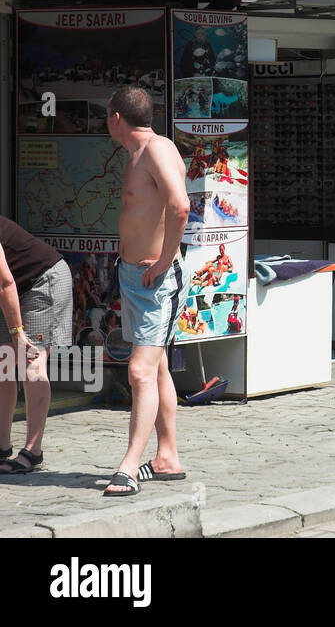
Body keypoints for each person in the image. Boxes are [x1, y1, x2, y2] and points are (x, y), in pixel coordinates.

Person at [103, 87, 190, 496]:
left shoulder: (156, 149)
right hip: (135, 279)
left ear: (115, 117)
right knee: (155, 369)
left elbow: (180, 207)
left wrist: (163, 261)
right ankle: (167, 456)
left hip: (158, 281)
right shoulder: (137, 153)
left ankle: (128, 467)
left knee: (139, 371)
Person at [0, 217, 74, 475]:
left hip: (43, 280)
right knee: (3, 365)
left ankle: (33, 451)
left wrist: (18, 334)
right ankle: (2, 447)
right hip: (15, 288)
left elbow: (4, 282)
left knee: (32, 363)